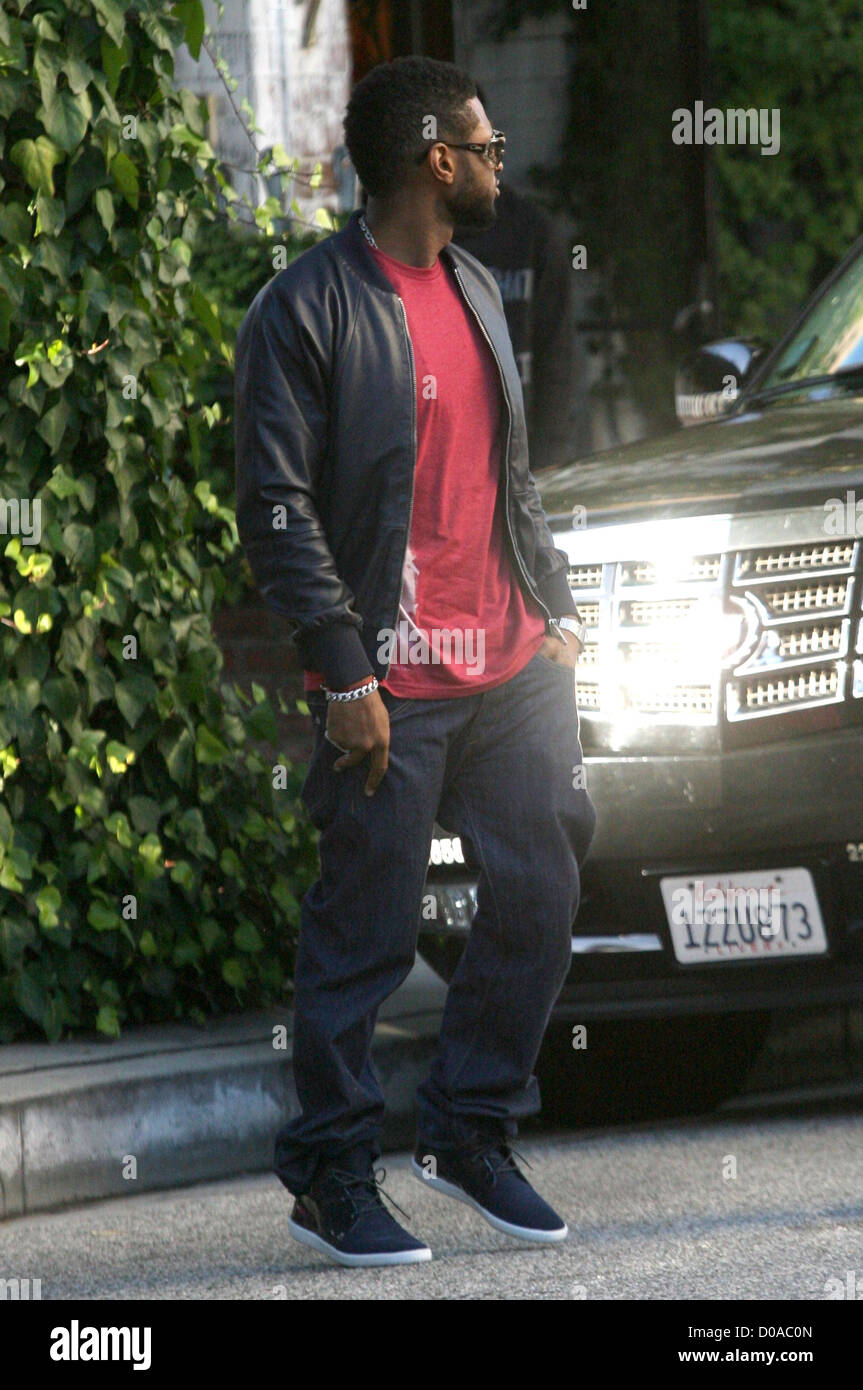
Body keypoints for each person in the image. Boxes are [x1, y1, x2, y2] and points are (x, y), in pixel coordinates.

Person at [234, 55, 596, 1269]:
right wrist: (344, 674)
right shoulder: (304, 306)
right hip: (390, 680)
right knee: (364, 935)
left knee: (540, 892)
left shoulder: (483, 288)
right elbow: (275, 506)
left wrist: (553, 602)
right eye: (486, 148)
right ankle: (332, 1171)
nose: (501, 165)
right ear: (435, 157)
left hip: (512, 663)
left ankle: (470, 1130)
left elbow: (513, 470)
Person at [452, 89, 591, 471]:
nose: (489, 160)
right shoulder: (420, 244)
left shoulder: (531, 233)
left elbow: (558, 357)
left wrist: (549, 459)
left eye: (490, 144)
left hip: (520, 457)